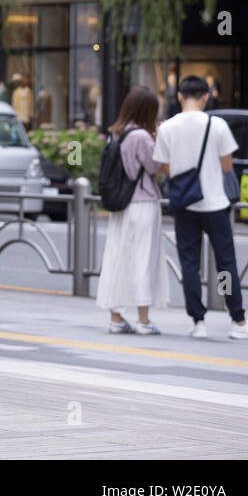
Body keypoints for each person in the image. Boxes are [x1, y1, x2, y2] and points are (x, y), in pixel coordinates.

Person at [153, 75, 248, 340]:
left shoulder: (167, 128)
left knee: (189, 264)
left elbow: (165, 169)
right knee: (226, 263)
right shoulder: (216, 125)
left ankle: (198, 322)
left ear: (179, 97)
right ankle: (238, 321)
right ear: (206, 97)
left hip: (184, 205)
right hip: (215, 204)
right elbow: (227, 166)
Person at [96, 86, 168, 335]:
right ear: (147, 111)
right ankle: (144, 320)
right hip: (142, 204)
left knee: (118, 258)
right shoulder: (142, 137)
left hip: (121, 205)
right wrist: (160, 139)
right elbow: (157, 167)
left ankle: (116, 318)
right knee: (142, 259)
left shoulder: (116, 134)